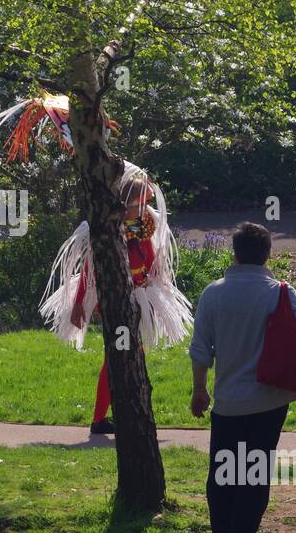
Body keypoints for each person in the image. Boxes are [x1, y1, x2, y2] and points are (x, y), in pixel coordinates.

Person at [190, 222, 296, 533]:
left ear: (234, 252)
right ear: (267, 254)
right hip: (269, 398)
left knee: (223, 468)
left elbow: (201, 349)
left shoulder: (213, 293)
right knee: (254, 469)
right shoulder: (280, 292)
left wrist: (199, 389)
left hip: (227, 400)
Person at [43, 162, 194, 435]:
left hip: (137, 298)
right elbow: (91, 268)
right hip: (115, 302)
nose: (143, 208)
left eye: (144, 203)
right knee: (119, 357)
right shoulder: (110, 231)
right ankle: (107, 418)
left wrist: (153, 279)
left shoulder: (143, 227)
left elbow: (150, 261)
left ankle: (110, 417)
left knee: (126, 356)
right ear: (125, 204)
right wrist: (78, 303)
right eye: (138, 204)